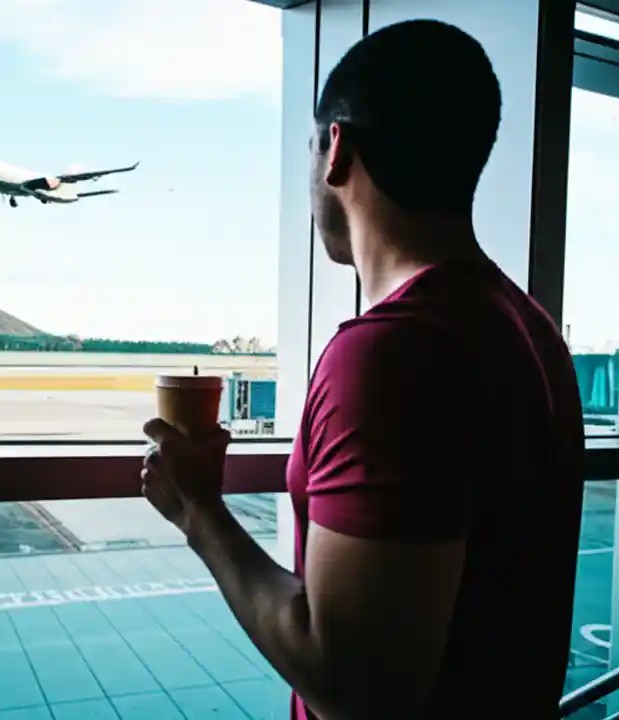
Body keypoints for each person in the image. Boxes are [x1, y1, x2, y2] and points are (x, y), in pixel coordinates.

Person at [141, 19, 584, 720]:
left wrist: (199, 510)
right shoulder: (531, 332)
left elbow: (354, 689)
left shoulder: (390, 355)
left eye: (311, 148)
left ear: (337, 148)